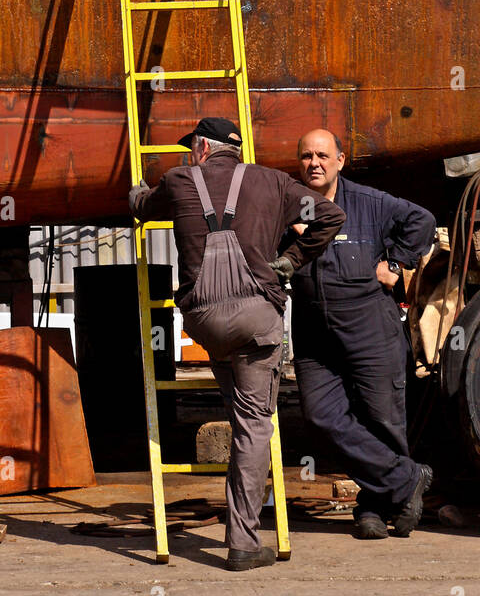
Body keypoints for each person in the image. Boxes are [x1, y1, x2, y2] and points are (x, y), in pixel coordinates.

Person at [130, 116, 345, 571]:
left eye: (193, 148)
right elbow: (330, 215)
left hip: (206, 323)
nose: (190, 155)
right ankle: (243, 543)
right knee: (252, 428)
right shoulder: (274, 183)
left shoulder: (177, 181)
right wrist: (291, 259)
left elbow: (144, 207)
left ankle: (240, 519)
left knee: (238, 409)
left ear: (203, 150)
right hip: (255, 322)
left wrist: (135, 194)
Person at [290, 128, 437, 539]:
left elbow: (421, 220)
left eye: (322, 155)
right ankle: (407, 480)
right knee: (321, 416)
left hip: (369, 322)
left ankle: (372, 506)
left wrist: (395, 264)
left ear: (340, 160)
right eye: (306, 156)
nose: (313, 163)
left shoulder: (371, 202)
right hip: (313, 329)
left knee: (383, 419)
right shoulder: (292, 205)